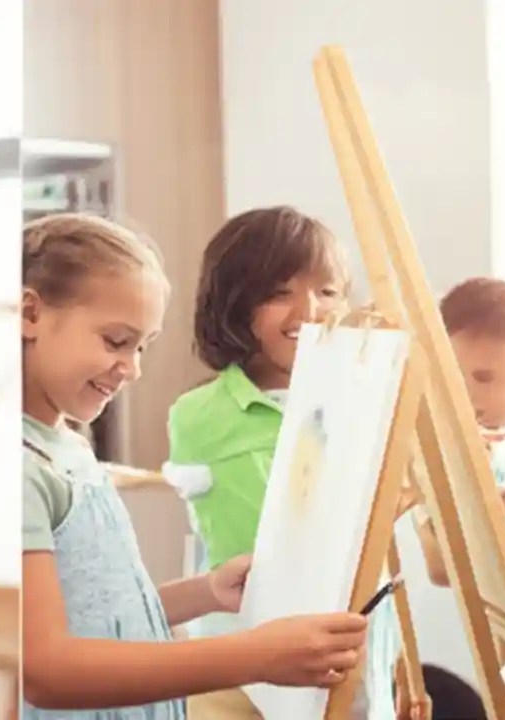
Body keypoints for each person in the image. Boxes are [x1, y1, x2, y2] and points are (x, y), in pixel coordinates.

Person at [21, 212, 369, 719]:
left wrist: (205, 592)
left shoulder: (69, 449)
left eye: (142, 347)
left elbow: (108, 619)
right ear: (30, 313)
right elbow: (48, 671)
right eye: (116, 341)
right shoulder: (23, 469)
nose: (133, 368)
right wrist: (257, 656)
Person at [165, 206, 411, 719]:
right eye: (279, 293)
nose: (310, 312)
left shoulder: (361, 398)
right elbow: (276, 544)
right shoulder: (204, 415)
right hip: (250, 670)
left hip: (355, 653)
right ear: (235, 305)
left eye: (328, 291)